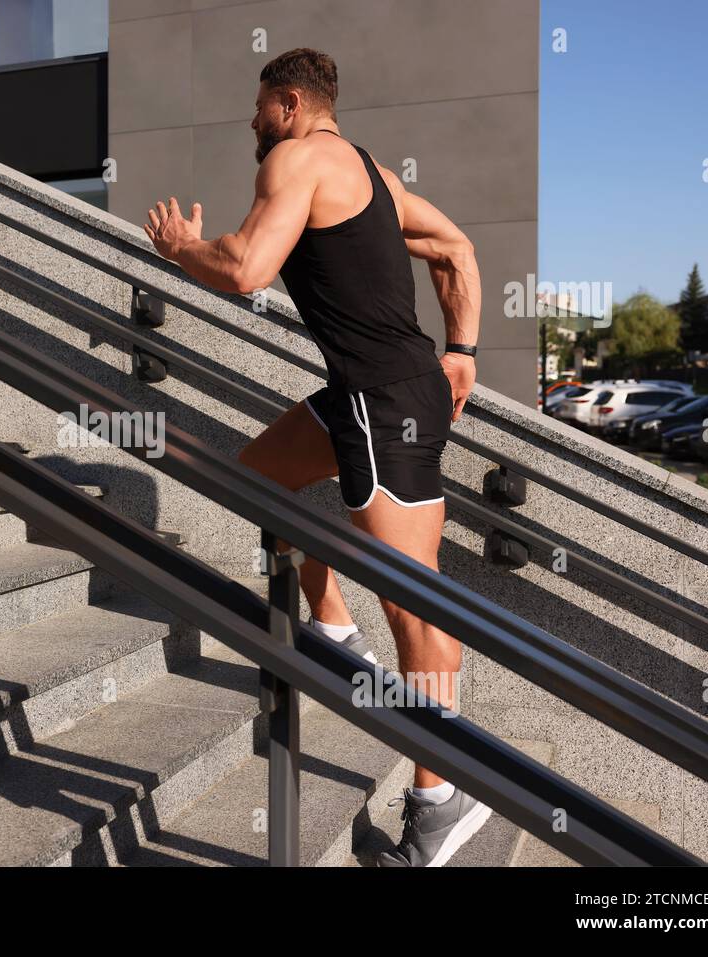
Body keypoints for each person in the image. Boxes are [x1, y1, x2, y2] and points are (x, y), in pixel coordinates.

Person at [142, 48, 487, 867]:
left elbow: (248, 268)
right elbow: (457, 250)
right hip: (377, 393)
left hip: (382, 404)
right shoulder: (368, 172)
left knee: (415, 607)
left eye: (260, 107)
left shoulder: (295, 160)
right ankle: (334, 631)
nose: (251, 123)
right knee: (258, 477)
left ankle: (441, 802)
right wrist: (465, 348)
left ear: (291, 104)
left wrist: (181, 250)